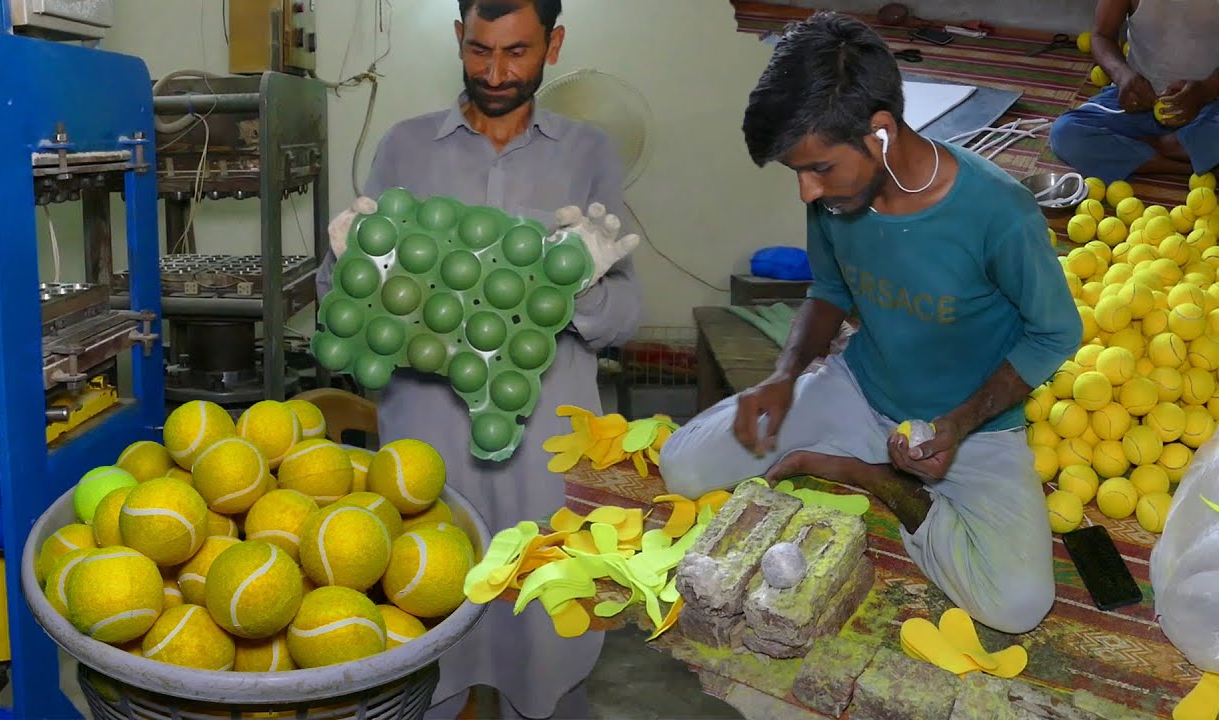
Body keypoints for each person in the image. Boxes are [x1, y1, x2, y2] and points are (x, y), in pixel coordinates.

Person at [658, 12, 1083, 635]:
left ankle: (869, 477)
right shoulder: (838, 197)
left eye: (819, 169)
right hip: (856, 392)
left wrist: (960, 424)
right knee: (683, 468)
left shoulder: (999, 212)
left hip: (974, 427)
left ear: (880, 134)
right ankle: (843, 444)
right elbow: (829, 292)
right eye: (797, 173)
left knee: (1017, 605)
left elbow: (1055, 333)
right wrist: (783, 376)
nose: (806, 192)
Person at [315, 1, 641, 718]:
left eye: (517, 52)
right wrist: (344, 265)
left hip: (545, 463)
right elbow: (346, 306)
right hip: (430, 454)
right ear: (457, 38)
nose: (496, 73)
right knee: (428, 643)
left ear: (553, 44)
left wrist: (582, 284)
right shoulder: (406, 146)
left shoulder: (589, 153)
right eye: (479, 50)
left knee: (550, 656)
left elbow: (624, 316)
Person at [1049, 0, 1219, 181]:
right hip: (1140, 103)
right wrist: (1123, 76)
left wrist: (1205, 90)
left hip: (1210, 106)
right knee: (1066, 134)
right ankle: (1183, 160)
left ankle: (1146, 150)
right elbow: (1101, 35)